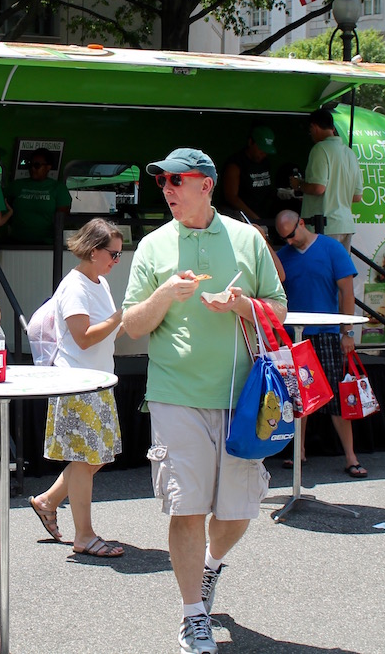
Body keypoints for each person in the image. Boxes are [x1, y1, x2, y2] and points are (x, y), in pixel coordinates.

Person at [121, 148, 286, 654]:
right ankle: (193, 613)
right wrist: (165, 295)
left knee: (238, 511)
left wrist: (243, 304)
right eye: (163, 181)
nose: (168, 189)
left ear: (206, 186)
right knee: (186, 507)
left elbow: (277, 309)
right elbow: (131, 326)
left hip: (243, 395)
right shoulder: (152, 246)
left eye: (177, 180)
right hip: (176, 394)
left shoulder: (246, 240)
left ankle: (210, 567)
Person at [28, 218, 126, 558]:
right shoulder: (75, 286)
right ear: (94, 250)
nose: (117, 259)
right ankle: (84, 535)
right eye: (113, 253)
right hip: (77, 383)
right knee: (87, 460)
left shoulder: (97, 282)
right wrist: (121, 318)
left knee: (94, 459)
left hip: (96, 381)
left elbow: (105, 333)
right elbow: (83, 338)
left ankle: (48, 501)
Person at [274, 211, 366, 478]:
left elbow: (346, 291)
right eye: (284, 238)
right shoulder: (284, 256)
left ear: (302, 223)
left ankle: (350, 456)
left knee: (336, 395)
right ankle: (298, 452)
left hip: (327, 332)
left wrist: (347, 331)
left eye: (291, 235)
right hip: (296, 334)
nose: (289, 242)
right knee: (298, 395)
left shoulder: (331, 248)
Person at [293, 107, 362, 253]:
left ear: (314, 127)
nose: (310, 134)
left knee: (322, 272)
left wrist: (298, 185)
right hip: (346, 224)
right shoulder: (350, 153)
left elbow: (319, 188)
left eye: (310, 129)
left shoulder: (320, 149)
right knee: (341, 272)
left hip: (325, 224)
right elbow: (357, 196)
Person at [7, 147, 72, 245]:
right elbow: (4, 209)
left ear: (48, 167)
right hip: (17, 241)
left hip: (46, 243)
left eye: (37, 165)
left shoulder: (58, 188)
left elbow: (61, 218)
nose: (32, 168)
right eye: (30, 165)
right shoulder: (16, 186)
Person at [221, 125, 278, 223]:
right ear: (251, 142)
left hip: (263, 216)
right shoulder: (236, 164)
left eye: (266, 151)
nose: (263, 153)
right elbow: (232, 197)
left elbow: (266, 190)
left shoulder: (265, 162)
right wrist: (255, 219)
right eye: (261, 149)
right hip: (241, 219)